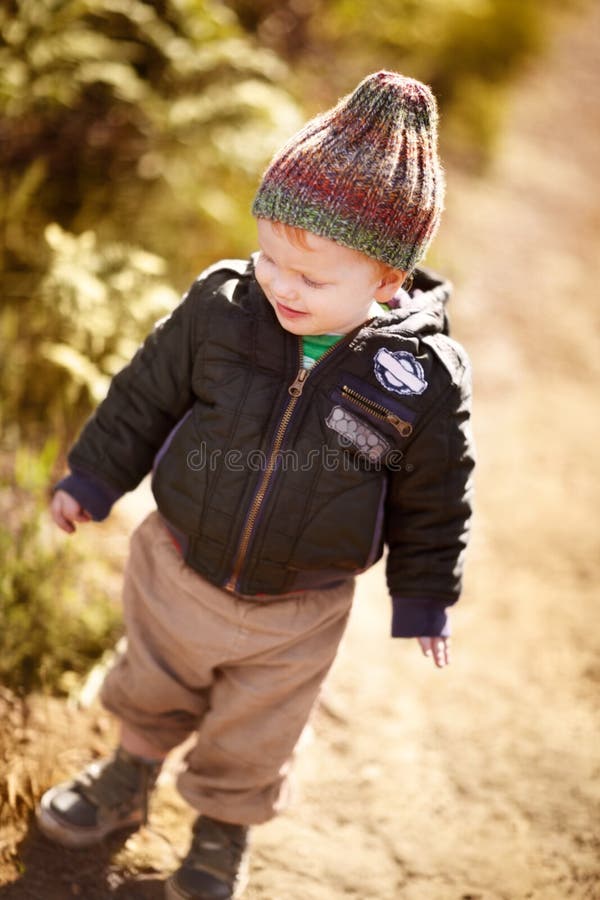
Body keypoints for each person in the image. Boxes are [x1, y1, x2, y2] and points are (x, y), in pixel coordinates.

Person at [37, 71, 475, 900]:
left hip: (298, 606)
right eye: (269, 256)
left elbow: (437, 494)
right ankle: (127, 775)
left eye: (311, 279)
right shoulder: (223, 306)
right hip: (176, 559)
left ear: (388, 280)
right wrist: (94, 475)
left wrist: (425, 594)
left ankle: (222, 829)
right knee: (151, 682)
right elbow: (147, 391)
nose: (280, 285)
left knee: (257, 732)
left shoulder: (419, 377)